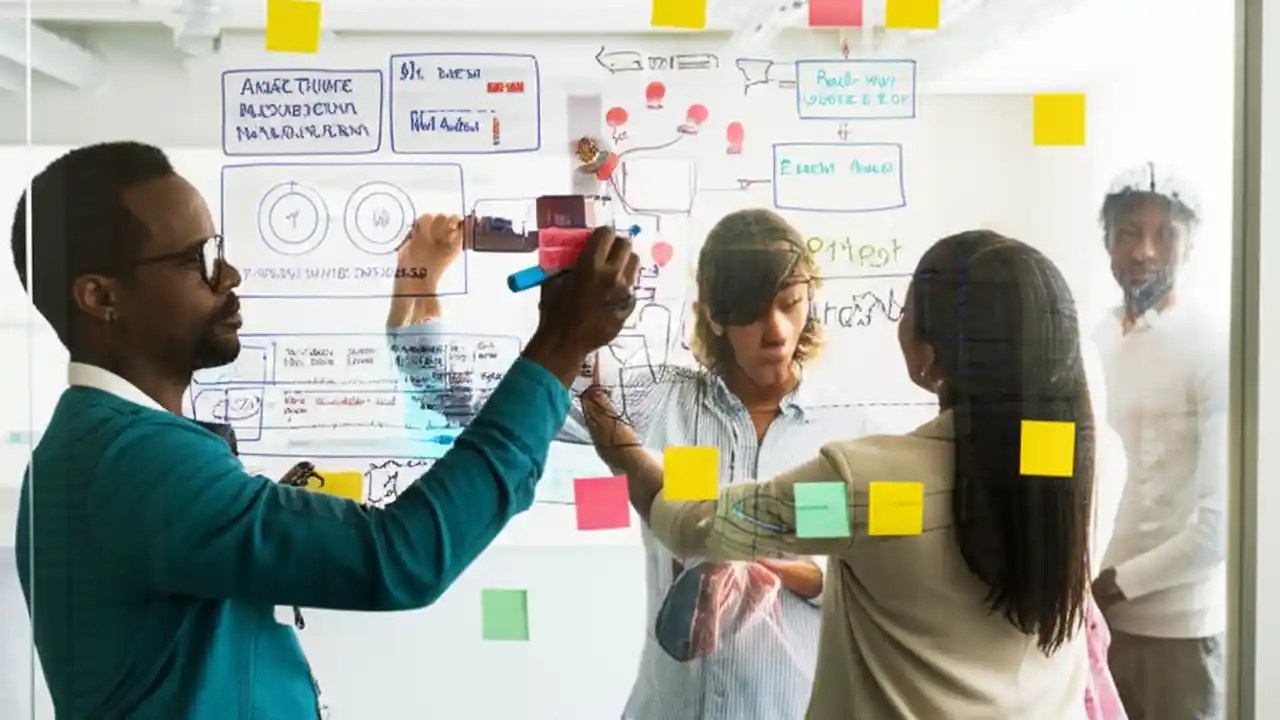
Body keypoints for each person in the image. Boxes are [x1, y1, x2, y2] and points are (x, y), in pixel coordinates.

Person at [10, 141, 639, 719]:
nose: (227, 276)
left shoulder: (110, 447)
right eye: (196, 260)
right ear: (100, 297)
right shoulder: (132, 461)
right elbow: (403, 558)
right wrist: (562, 343)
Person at [581, 230, 1095, 719]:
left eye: (906, 307)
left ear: (929, 355)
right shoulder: (1067, 468)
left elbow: (696, 524)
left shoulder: (872, 484)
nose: (774, 329)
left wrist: (617, 443)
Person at [572, 208, 878, 719]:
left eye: (790, 304)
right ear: (713, 314)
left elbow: (878, 583)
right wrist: (419, 291)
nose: (777, 330)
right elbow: (512, 404)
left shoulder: (851, 430)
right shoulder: (655, 401)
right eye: (753, 314)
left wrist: (793, 568)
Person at [1088, 163, 1227, 720]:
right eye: (1128, 232)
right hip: (1096, 623)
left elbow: (1220, 529)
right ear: (1107, 243)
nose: (1144, 251)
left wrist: (1114, 585)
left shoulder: (1216, 345)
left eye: (1164, 234)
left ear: (1190, 245)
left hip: (1178, 634)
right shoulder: (1095, 338)